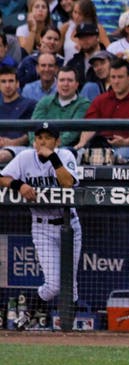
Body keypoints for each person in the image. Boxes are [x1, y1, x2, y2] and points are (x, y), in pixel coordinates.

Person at [0, 122, 81, 330]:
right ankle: (28, 310)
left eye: (47, 138)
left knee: (70, 286)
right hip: (42, 226)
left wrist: (52, 157)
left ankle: (68, 333)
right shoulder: (26, 157)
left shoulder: (65, 155)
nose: (42, 142)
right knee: (54, 285)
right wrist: (19, 185)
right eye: (39, 138)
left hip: (69, 224)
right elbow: (2, 177)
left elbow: (68, 183)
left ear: (57, 141)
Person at [76, 58, 129, 163]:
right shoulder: (100, 100)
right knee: (77, 155)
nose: (116, 81)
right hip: (100, 146)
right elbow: (90, 125)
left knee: (117, 157)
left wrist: (126, 142)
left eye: (120, 77)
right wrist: (82, 143)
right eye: (113, 77)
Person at [31, 65, 90, 150]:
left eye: (70, 80)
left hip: (67, 150)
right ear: (56, 83)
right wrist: (37, 143)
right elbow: (33, 126)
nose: (65, 84)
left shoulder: (84, 104)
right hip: (38, 147)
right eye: (62, 80)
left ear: (77, 84)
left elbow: (72, 133)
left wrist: (50, 145)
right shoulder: (44, 101)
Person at [0, 66, 37, 164]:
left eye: (11, 81)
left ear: (17, 84)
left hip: (21, 150)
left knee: (2, 156)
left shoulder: (31, 104)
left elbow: (34, 132)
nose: (7, 85)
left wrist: (15, 142)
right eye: (3, 82)